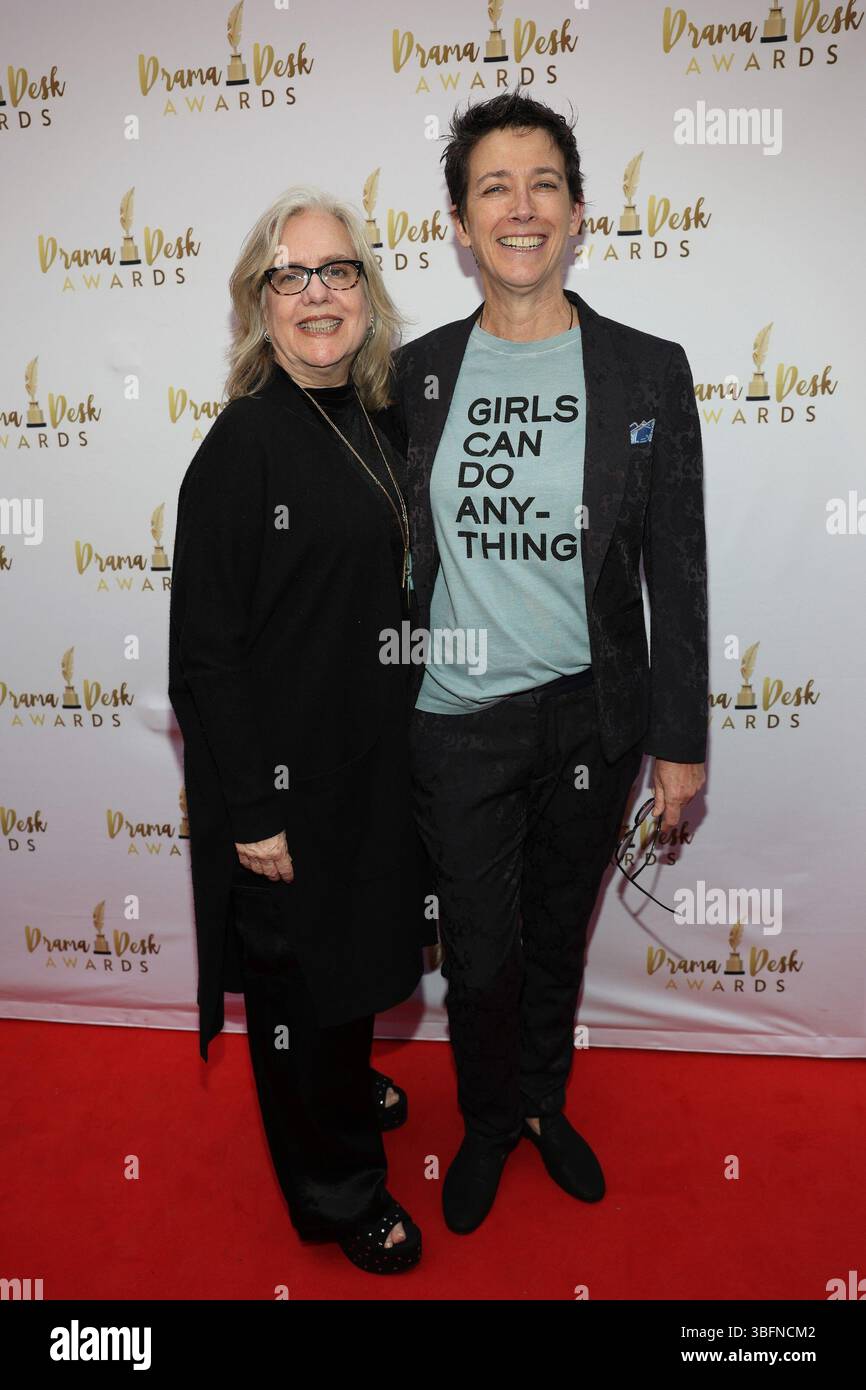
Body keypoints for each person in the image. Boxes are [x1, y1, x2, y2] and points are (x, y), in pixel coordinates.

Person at [389, 92, 708, 1234]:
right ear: (459, 227)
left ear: (576, 213)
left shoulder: (644, 372)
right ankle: (482, 1120)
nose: (519, 208)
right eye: (492, 187)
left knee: (555, 929)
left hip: (590, 717)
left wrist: (677, 740)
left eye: (541, 185)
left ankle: (538, 1101)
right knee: (478, 947)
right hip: (453, 719)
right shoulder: (413, 377)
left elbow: (676, 569)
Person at [167, 185, 431, 1273]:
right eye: (289, 275)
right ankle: (335, 1191)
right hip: (287, 785)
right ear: (257, 304)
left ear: (365, 293)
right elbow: (203, 658)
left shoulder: (375, 418)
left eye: (336, 271)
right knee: (302, 985)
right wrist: (257, 808)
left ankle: (341, 1076)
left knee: (355, 959)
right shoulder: (241, 450)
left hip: (369, 763)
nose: (315, 293)